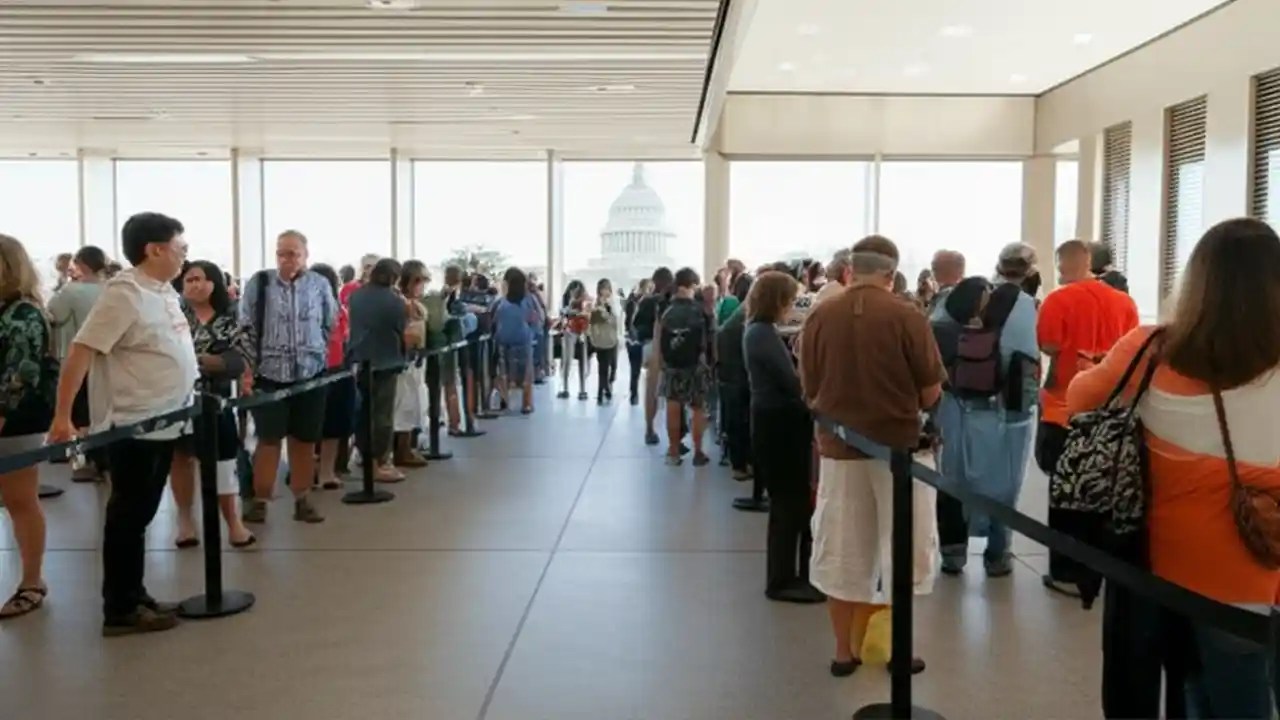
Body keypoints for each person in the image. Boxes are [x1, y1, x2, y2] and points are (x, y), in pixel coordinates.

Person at [1067, 218, 1280, 719]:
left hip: (1180, 564)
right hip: (1264, 566)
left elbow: (1080, 400)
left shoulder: (1154, 349)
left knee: (1202, 685)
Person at [799, 234, 942, 677]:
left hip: (839, 451)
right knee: (904, 546)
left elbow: (809, 390)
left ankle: (845, 652)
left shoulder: (820, 315)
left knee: (842, 549)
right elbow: (931, 389)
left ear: (849, 270)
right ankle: (898, 648)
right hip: (900, 451)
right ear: (891, 273)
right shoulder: (906, 314)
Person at [50, 212, 196, 635]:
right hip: (134, 425)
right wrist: (62, 416)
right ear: (155, 250)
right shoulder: (124, 293)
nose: (184, 257)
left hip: (165, 421)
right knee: (128, 516)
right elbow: (82, 351)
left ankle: (136, 594)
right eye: (180, 248)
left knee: (143, 513)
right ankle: (120, 608)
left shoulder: (162, 292)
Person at [1036, 239, 1138, 596]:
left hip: (1063, 409)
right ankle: (1103, 568)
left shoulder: (1056, 300)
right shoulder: (1124, 302)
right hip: (1112, 410)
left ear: (1062, 263)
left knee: (1064, 494)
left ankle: (1068, 572)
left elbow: (1048, 346)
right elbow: (1131, 349)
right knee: (1105, 491)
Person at [933, 245, 1041, 578]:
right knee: (1004, 483)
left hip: (954, 408)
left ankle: (953, 555)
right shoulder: (1024, 306)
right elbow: (1027, 362)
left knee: (950, 481)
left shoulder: (951, 299)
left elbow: (932, 350)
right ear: (1031, 272)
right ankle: (997, 555)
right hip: (1005, 414)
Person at [239, 230, 336, 524]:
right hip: (269, 376)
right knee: (268, 440)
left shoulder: (319, 284)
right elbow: (246, 326)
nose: (286, 259)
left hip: (310, 375)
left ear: (306, 255)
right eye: (281, 253)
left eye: (293, 253)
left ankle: (302, 499)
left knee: (305, 440)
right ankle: (260, 500)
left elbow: (329, 321)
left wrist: (313, 351)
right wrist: (247, 370)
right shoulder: (261, 283)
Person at [744, 272, 823, 604]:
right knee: (788, 502)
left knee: (787, 502)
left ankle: (787, 575)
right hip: (779, 423)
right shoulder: (762, 334)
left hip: (772, 419)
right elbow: (791, 384)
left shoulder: (758, 332)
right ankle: (782, 579)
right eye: (790, 300)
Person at [168, 260, 256, 550]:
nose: (196, 284)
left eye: (202, 279)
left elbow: (238, 359)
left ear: (216, 283)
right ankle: (185, 521)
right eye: (190, 279)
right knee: (180, 459)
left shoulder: (232, 316)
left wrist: (197, 362)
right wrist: (208, 361)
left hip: (217, 401)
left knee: (222, 462)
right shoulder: (172, 315)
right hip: (177, 399)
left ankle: (234, 523)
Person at [0, 234, 56, 621]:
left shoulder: (23, 314)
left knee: (20, 500)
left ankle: (32, 581)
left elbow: (20, 375)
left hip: (14, 422)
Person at [48, 245, 110, 482]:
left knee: (81, 411)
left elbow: (53, 315)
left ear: (81, 264)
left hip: (77, 357)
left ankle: (84, 459)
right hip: (107, 360)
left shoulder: (71, 291)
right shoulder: (112, 289)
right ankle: (102, 458)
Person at [347, 258, 407, 483]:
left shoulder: (357, 295)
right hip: (386, 360)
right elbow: (401, 329)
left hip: (360, 360)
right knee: (383, 415)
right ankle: (381, 462)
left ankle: (364, 456)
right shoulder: (394, 301)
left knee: (364, 413)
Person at [655, 267, 712, 466]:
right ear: (693, 286)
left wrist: (662, 362)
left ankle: (673, 451)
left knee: (673, 404)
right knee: (697, 407)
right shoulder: (699, 309)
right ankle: (698, 452)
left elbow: (660, 339)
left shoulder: (666, 309)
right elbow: (707, 340)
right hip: (695, 364)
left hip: (671, 364)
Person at [311, 263, 354, 490]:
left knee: (333, 424)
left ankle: (326, 470)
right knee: (314, 425)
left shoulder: (339, 309)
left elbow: (346, 338)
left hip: (337, 370)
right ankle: (316, 470)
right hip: (318, 370)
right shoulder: (306, 308)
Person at [392, 260, 429, 468]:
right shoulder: (402, 303)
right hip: (405, 362)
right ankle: (401, 450)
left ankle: (407, 447)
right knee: (404, 406)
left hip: (415, 361)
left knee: (414, 403)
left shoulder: (413, 303)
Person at [494, 267, 543, 414]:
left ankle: (504, 400)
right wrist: (532, 333)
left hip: (504, 339)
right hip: (524, 338)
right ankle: (527, 403)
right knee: (526, 371)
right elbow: (537, 318)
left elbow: (494, 319)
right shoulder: (529, 299)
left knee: (503, 371)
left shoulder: (502, 302)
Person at [634, 267, 674, 444]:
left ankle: (649, 428)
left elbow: (636, 326)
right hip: (670, 347)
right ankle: (674, 438)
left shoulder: (647, 301)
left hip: (650, 346)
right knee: (674, 393)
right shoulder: (673, 302)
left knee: (651, 390)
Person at [558, 279, 591, 401]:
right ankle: (567, 388)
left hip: (579, 330)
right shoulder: (568, 300)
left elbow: (587, 313)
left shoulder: (585, 300)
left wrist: (575, 312)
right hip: (572, 330)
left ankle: (581, 389)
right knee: (568, 359)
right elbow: (563, 312)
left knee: (581, 359)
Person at [588, 278, 619, 404]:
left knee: (613, 366)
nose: (605, 291)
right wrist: (601, 309)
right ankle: (601, 393)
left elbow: (615, 320)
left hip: (612, 339)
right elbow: (598, 320)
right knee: (603, 368)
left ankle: (606, 387)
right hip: (601, 340)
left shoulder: (613, 303)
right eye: (603, 289)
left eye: (607, 288)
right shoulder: (596, 305)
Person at [623, 279, 652, 405]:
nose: (650, 291)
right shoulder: (638, 303)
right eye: (648, 288)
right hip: (638, 340)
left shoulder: (633, 302)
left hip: (638, 339)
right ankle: (634, 393)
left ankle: (635, 394)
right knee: (635, 368)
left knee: (636, 369)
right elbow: (629, 322)